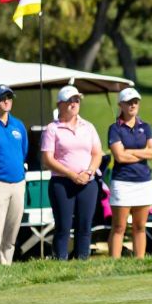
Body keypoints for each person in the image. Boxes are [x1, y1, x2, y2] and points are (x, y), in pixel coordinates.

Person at [40, 85, 103, 260]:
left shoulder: (88, 126)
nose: (74, 104)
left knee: (84, 225)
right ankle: (60, 262)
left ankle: (82, 262)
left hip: (87, 182)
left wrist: (89, 172)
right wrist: (72, 175)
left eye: (76, 100)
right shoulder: (52, 128)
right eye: (70, 101)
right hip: (62, 183)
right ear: (60, 104)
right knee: (63, 226)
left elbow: (97, 153)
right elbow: (48, 159)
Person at [107, 87, 152, 258]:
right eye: (129, 102)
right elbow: (119, 157)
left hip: (143, 181)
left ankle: (140, 262)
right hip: (123, 182)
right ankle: (114, 262)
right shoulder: (114, 129)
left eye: (135, 101)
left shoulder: (145, 127)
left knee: (140, 226)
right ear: (121, 104)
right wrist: (141, 152)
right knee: (119, 226)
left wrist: (130, 151)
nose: (133, 105)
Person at [0, 85, 28, 267]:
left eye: (9, 97)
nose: (6, 101)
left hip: (18, 184)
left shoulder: (18, 125)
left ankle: (5, 266)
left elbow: (23, 151)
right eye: (2, 98)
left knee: (12, 230)